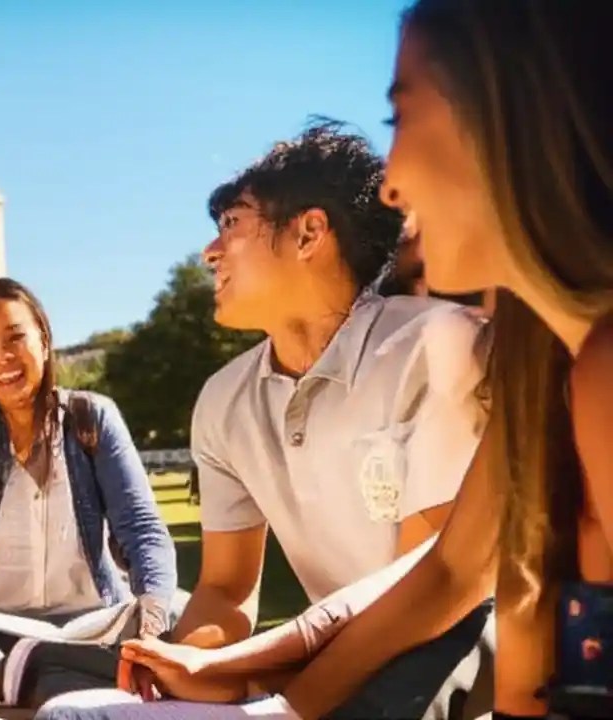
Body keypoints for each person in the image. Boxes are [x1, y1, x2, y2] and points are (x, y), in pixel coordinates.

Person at [41, 122, 494, 720]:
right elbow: (226, 592)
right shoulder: (224, 400)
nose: (210, 252)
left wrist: (257, 679)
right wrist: (184, 665)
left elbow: (427, 591)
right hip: (323, 665)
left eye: (231, 225)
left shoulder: (436, 345)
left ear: (309, 233)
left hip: (452, 653)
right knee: (73, 715)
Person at [270, 2, 613, 718]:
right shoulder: (540, 363)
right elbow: (455, 571)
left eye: (399, 121)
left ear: (511, 114)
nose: (390, 186)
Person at [0, 277, 180, 705]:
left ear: (43, 339)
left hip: (94, 626)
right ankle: (54, 677)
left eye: (14, 338)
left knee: (181, 607)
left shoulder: (91, 418)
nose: (1, 358)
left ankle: (26, 680)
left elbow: (143, 530)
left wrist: (152, 619)